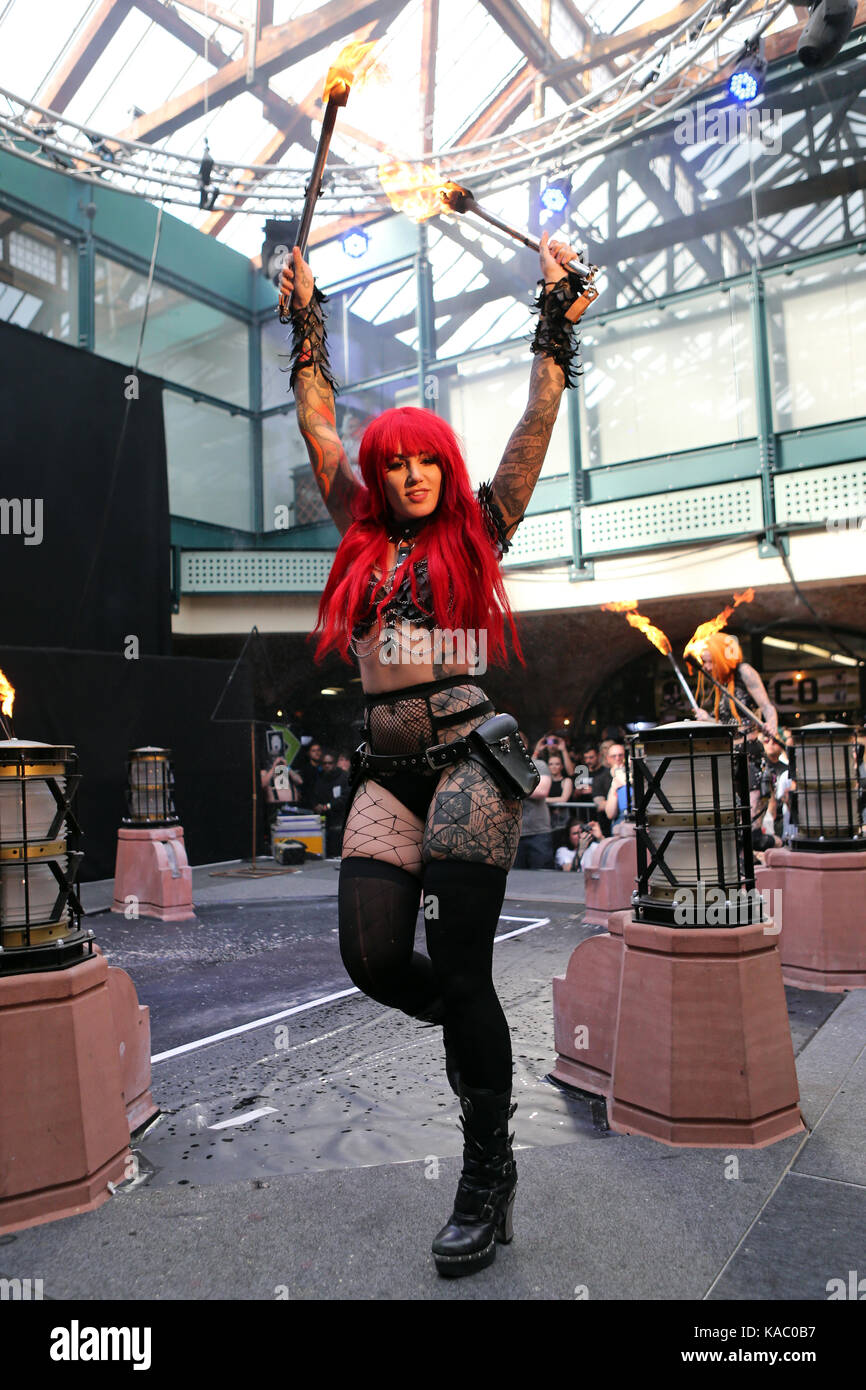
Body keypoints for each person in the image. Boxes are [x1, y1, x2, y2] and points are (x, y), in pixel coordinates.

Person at [280, 229, 592, 1278]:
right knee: (373, 958)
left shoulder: (478, 524)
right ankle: (478, 1040)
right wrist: (307, 322)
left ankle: (484, 1170)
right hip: (385, 765)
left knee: (458, 962)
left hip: (468, 756)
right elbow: (318, 422)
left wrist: (551, 321)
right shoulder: (355, 528)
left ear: (441, 469)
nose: (411, 473)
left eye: (426, 460)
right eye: (396, 461)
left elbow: (530, 428)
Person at [692, 633, 777, 736]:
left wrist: (772, 726)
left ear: (722, 659)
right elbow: (726, 725)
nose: (707, 667)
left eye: (712, 661)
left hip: (748, 747)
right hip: (728, 748)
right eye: (704, 662)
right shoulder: (718, 683)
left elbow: (766, 706)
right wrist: (708, 719)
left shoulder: (744, 671)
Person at [513, 740, 553, 868]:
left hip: (538, 832)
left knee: (542, 876)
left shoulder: (538, 764)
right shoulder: (502, 767)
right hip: (513, 833)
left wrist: (511, 785)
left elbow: (542, 791)